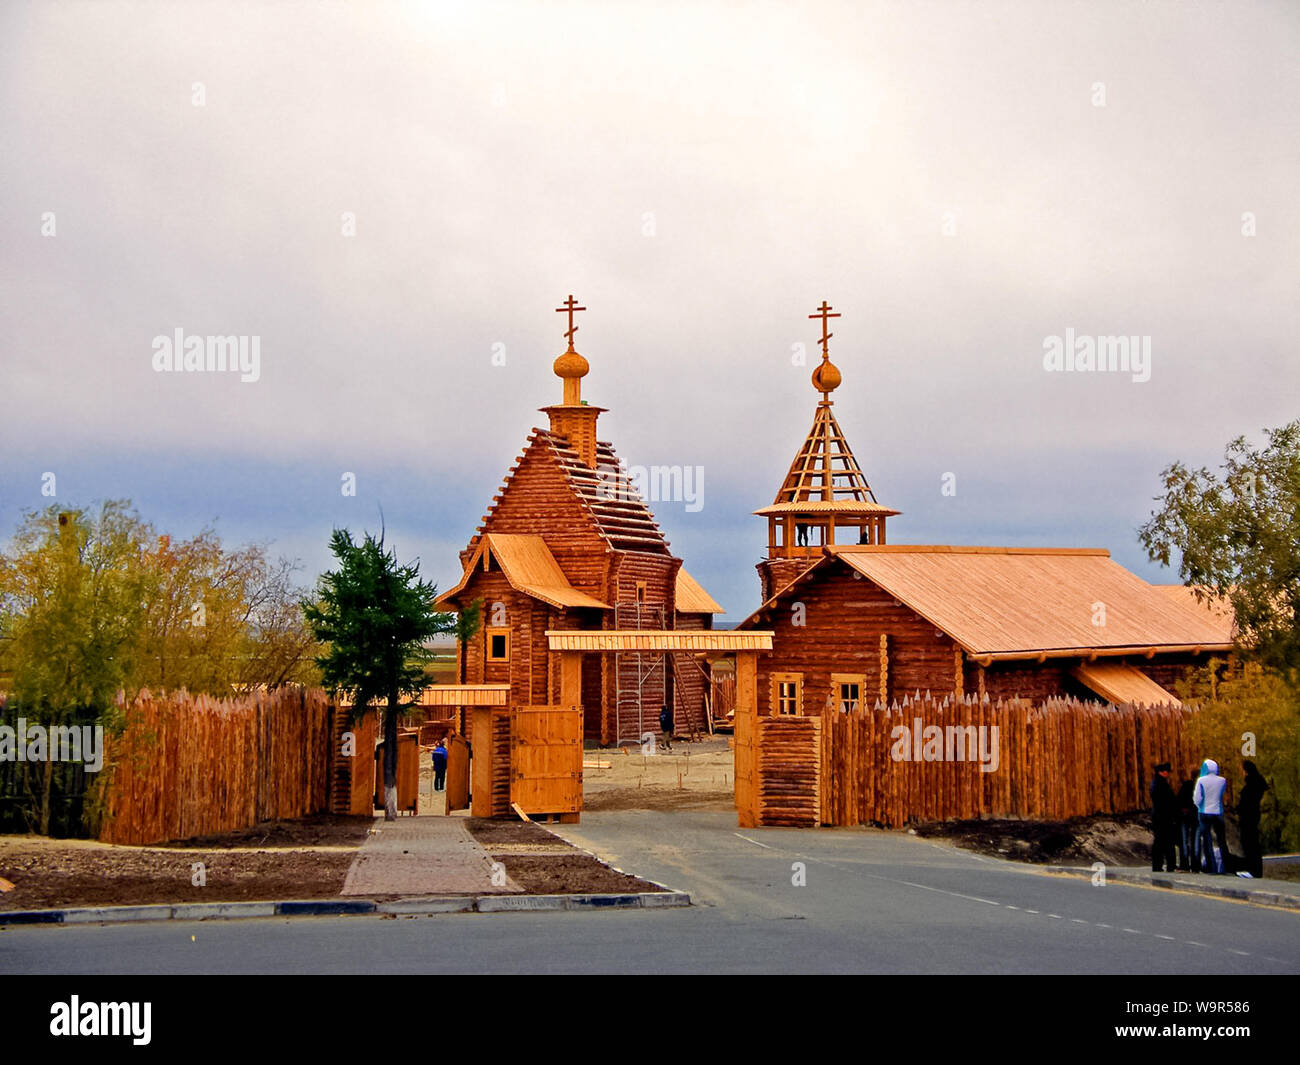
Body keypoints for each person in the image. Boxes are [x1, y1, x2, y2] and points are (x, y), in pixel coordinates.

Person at [1193, 758, 1229, 874]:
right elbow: (1221, 795)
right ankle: (1225, 866)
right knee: (1222, 840)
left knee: (1207, 840)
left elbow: (1197, 798)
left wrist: (1199, 806)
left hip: (1204, 812)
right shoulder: (1222, 780)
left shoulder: (1201, 780)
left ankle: (1211, 867)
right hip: (1218, 811)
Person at [1238, 760, 1269, 879]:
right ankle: (1254, 869)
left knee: (1249, 842)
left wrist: (1239, 809)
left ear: (1246, 771)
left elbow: (1247, 802)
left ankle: (1252, 869)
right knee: (1252, 842)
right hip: (1254, 815)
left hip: (1248, 816)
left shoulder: (1251, 784)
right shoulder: (1257, 783)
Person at [1149, 762, 1179, 872]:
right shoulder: (1161, 784)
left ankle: (1158, 864)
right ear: (1162, 772)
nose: (1168, 774)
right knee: (1166, 841)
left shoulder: (1156, 783)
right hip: (1164, 816)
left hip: (1159, 815)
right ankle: (1169, 864)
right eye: (1166, 771)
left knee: (1160, 841)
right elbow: (1168, 800)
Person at [1176, 767, 1198, 872]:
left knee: (1184, 840)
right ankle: (1195, 864)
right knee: (1195, 840)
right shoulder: (1200, 785)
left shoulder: (1186, 785)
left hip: (1185, 815)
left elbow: (1179, 800)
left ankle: (1184, 864)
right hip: (1197, 815)